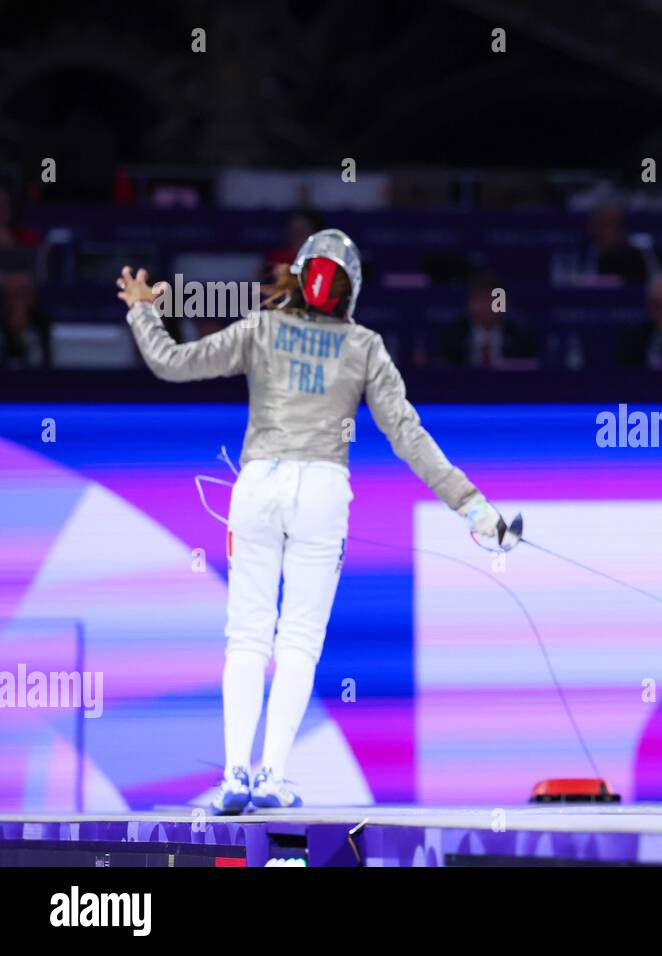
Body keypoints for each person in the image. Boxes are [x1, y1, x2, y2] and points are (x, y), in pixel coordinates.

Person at [115, 229, 512, 813]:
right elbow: (407, 434)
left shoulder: (264, 328)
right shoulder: (364, 345)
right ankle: (272, 776)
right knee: (297, 639)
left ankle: (235, 778)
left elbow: (173, 364)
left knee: (248, 634)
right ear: (350, 289)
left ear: (299, 276)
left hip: (258, 486)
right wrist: (471, 503)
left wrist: (146, 313)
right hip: (322, 492)